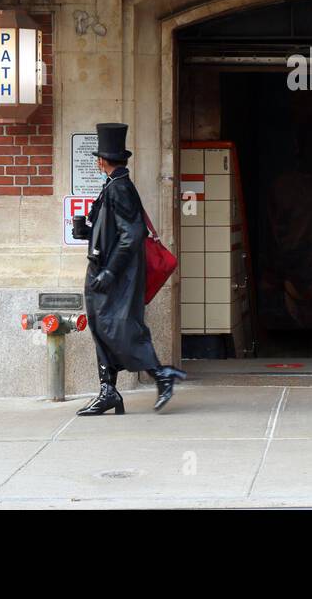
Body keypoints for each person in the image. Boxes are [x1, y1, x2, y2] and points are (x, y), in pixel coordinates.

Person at [75, 122, 186, 415]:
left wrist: (110, 272)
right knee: (104, 327)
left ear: (104, 160)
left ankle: (161, 375)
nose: (97, 161)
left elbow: (132, 234)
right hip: (108, 272)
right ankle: (108, 391)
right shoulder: (114, 185)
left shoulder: (120, 188)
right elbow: (116, 231)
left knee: (121, 328)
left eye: (99, 156)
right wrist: (87, 233)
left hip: (116, 276)